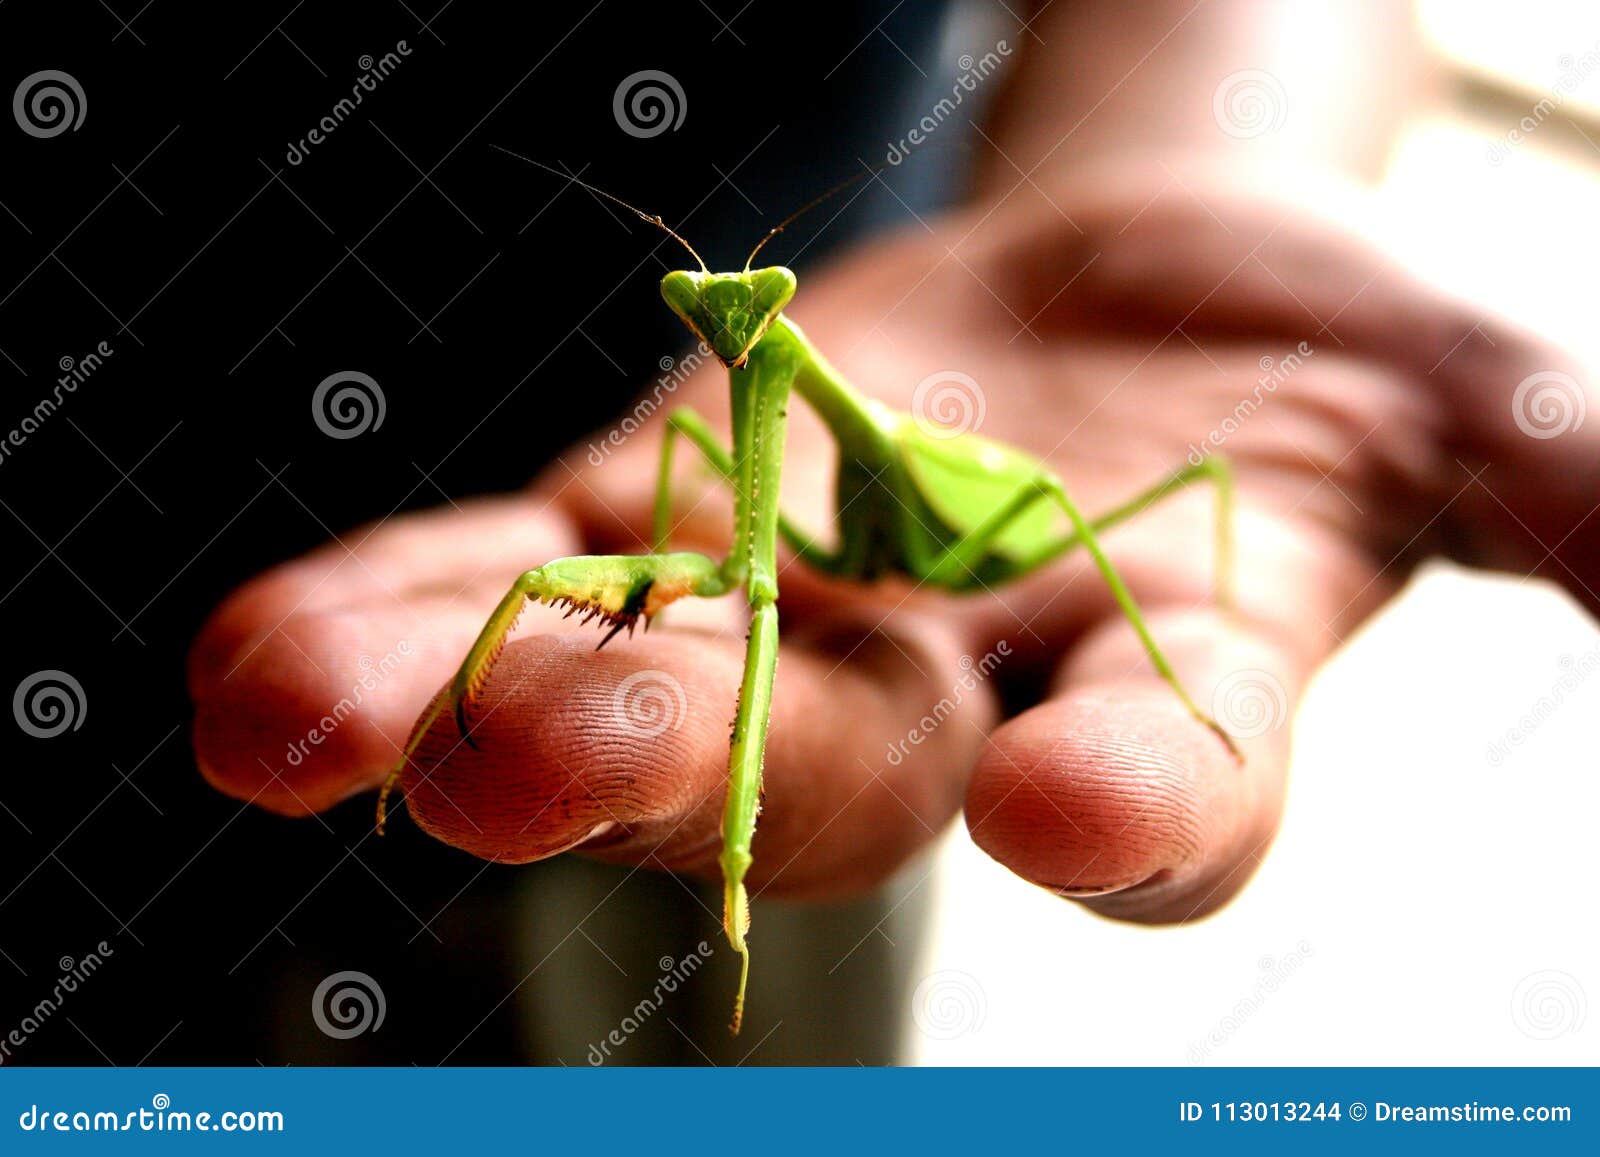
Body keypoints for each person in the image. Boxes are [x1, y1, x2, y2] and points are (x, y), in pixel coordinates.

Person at [188, 1, 1596, 1055]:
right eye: (710, 319)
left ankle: (725, 891)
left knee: (750, 1029)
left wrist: (1184, 158)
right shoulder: (717, 403)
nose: (723, 327)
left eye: (741, 313)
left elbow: (927, 541)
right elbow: (714, 492)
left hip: (964, 533)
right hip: (279, 616)